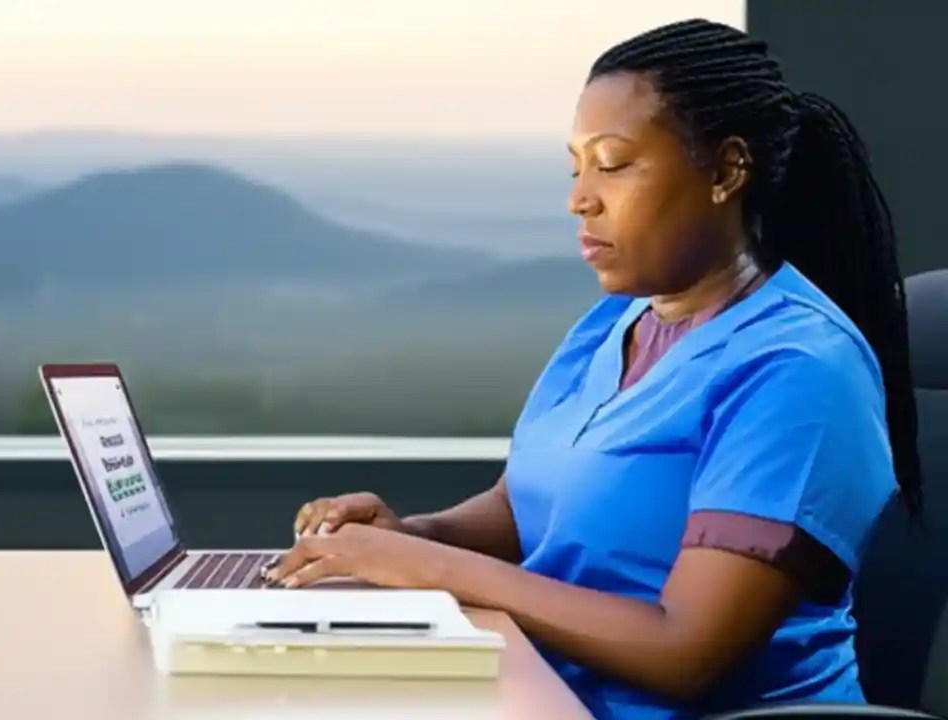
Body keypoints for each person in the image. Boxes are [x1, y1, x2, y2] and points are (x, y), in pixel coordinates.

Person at [262, 18, 923, 720]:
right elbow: (525, 507)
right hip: (542, 695)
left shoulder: (797, 370)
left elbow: (686, 652)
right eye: (575, 166)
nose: (580, 197)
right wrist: (414, 536)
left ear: (727, 171)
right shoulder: (616, 325)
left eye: (612, 163)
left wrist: (434, 571)